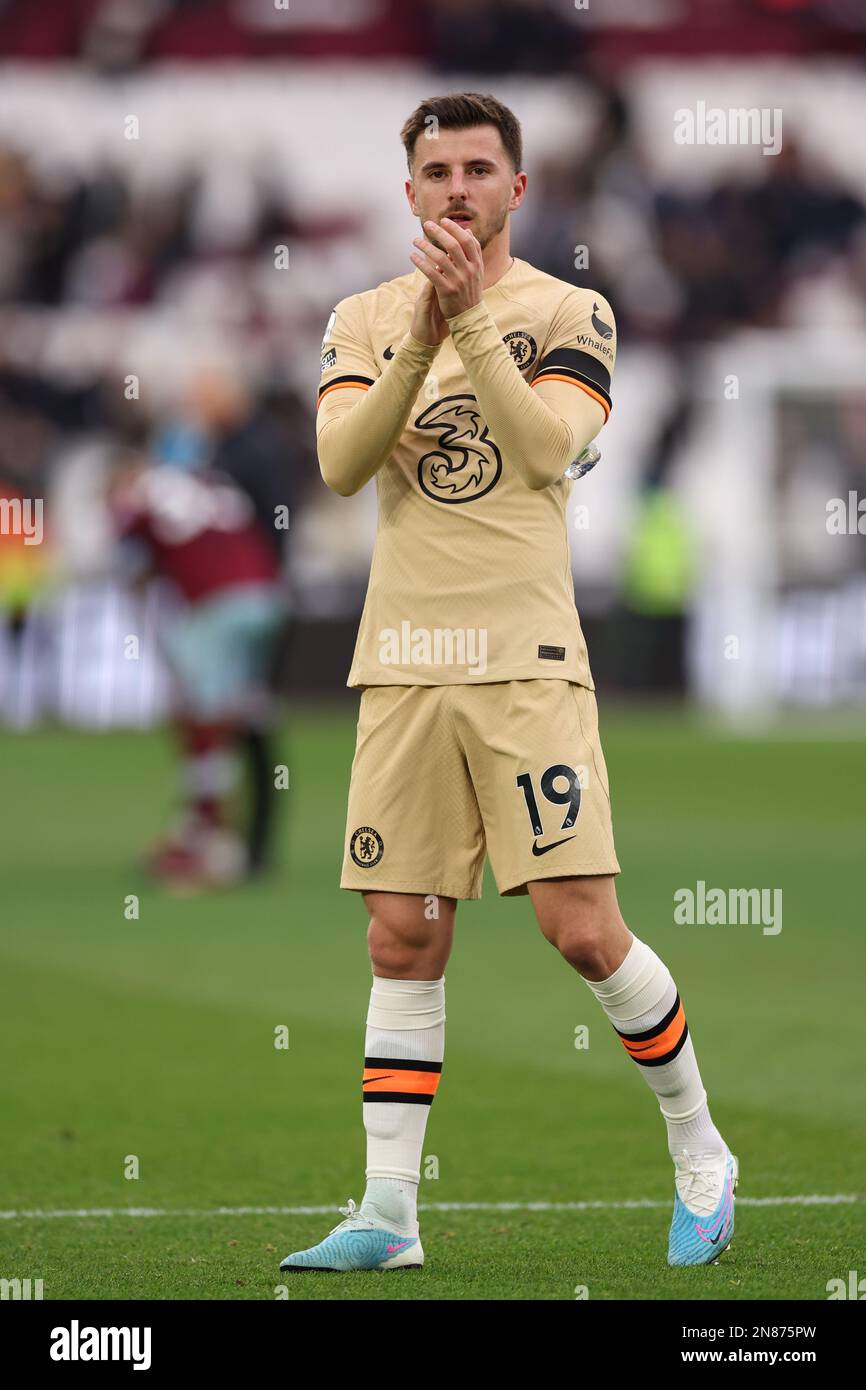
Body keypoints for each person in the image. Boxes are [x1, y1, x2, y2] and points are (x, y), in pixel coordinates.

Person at [279, 92, 737, 1275]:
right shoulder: (363, 318)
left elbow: (541, 453)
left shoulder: (569, 308)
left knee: (579, 931)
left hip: (524, 659)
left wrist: (471, 323)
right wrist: (427, 335)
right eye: (435, 171)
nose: (456, 188)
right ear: (409, 190)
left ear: (516, 189)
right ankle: (388, 1211)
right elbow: (338, 464)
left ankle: (699, 1147)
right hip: (401, 663)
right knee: (399, 938)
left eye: (478, 168)